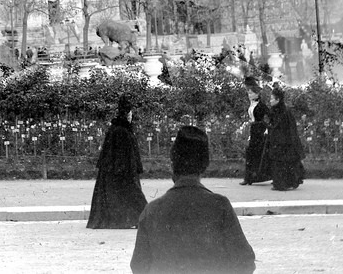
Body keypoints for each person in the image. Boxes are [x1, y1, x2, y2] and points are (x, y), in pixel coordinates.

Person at [131, 125, 255, 273]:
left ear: (173, 162)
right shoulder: (220, 206)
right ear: (205, 164)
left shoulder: (151, 210)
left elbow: (138, 266)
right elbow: (245, 262)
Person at [87, 96, 148, 229]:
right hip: (122, 170)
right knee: (131, 194)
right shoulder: (122, 131)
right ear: (127, 114)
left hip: (116, 169)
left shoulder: (118, 129)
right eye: (130, 113)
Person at [267, 83, 305, 191]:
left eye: (272, 99)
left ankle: (284, 183)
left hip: (284, 143)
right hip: (277, 142)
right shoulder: (275, 110)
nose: (270, 101)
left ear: (277, 100)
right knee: (278, 163)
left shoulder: (285, 112)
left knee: (283, 163)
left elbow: (289, 129)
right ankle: (280, 182)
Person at [239, 77, 271, 186]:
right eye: (249, 93)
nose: (250, 95)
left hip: (259, 130)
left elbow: (270, 115)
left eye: (252, 93)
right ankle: (249, 178)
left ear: (257, 95)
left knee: (257, 153)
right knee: (250, 153)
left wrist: (266, 128)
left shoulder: (261, 105)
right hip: (253, 129)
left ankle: (252, 177)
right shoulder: (251, 105)